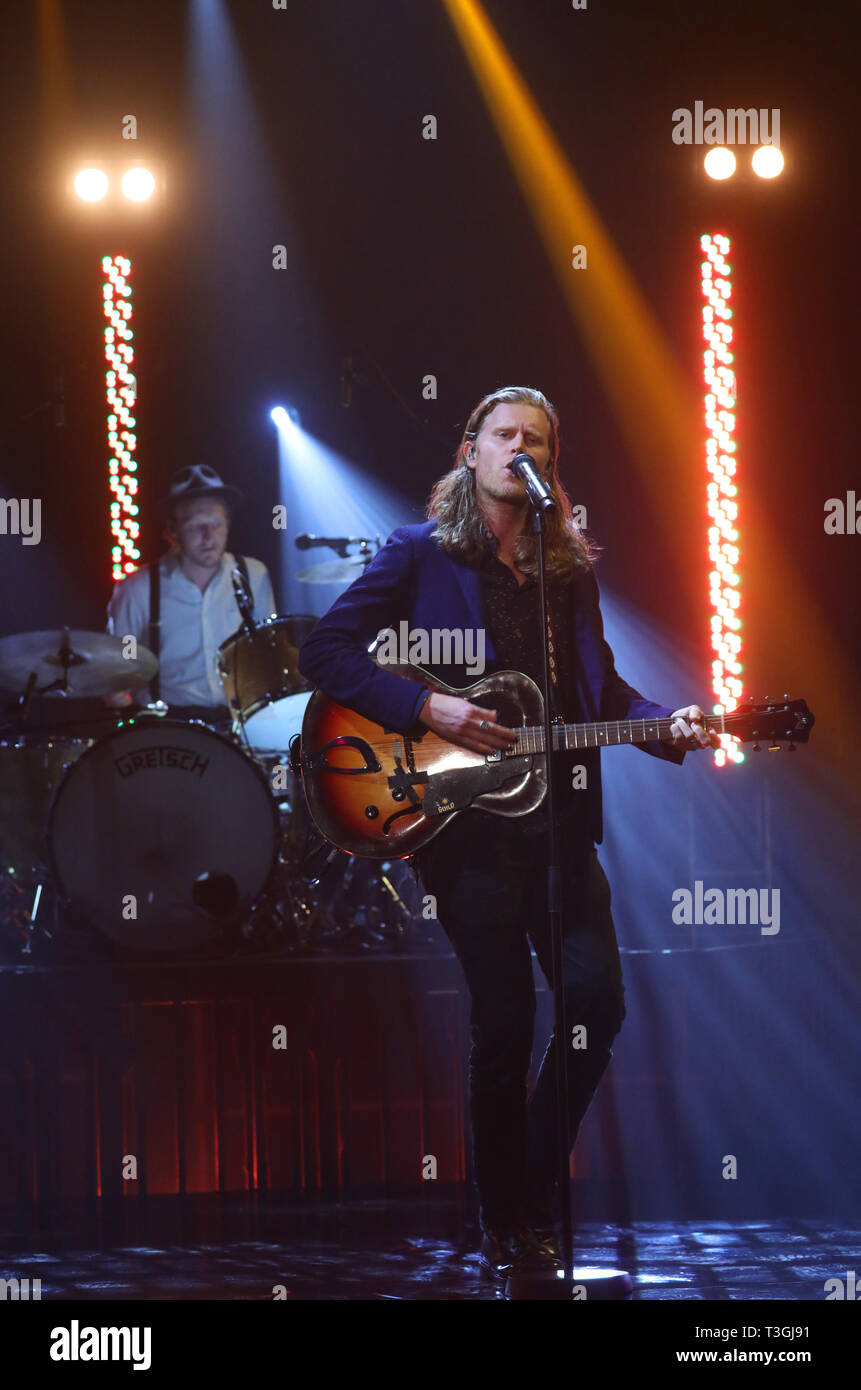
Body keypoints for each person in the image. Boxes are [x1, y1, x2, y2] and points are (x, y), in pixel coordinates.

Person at [297, 386, 720, 1281]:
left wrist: (667, 722)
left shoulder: (566, 571)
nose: (519, 448)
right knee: (506, 1019)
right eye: (504, 435)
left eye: (537, 441)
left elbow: (598, 695)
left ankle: (524, 1185)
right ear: (471, 451)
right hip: (465, 828)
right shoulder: (418, 554)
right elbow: (325, 653)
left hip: (561, 824)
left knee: (595, 1003)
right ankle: (506, 1216)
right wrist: (427, 703)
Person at [106, 465, 276, 719]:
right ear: (173, 531)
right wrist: (119, 694)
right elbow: (117, 670)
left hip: (243, 724)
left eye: (216, 524)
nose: (209, 536)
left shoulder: (253, 575)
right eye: (196, 526)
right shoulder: (137, 589)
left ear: (228, 524)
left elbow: (270, 654)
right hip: (167, 727)